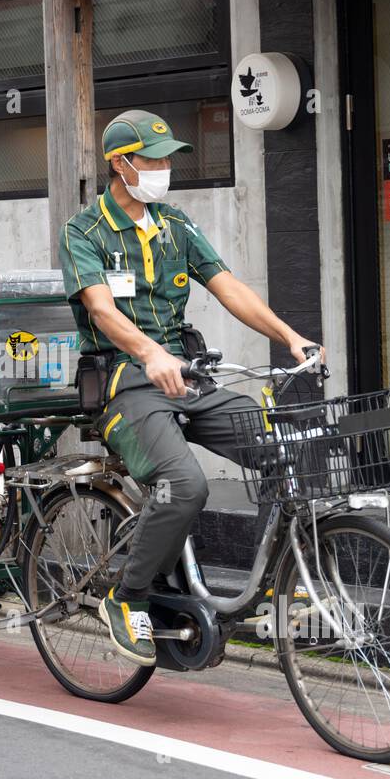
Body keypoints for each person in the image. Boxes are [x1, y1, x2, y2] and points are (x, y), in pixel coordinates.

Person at [58, 109, 325, 666]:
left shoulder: (176, 225)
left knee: (282, 445)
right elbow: (102, 312)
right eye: (151, 159)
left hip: (187, 377)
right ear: (120, 164)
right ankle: (125, 597)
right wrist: (150, 353)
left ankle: (274, 582)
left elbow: (230, 288)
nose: (162, 169)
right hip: (124, 382)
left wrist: (290, 337)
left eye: (165, 159)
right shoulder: (84, 232)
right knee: (185, 485)